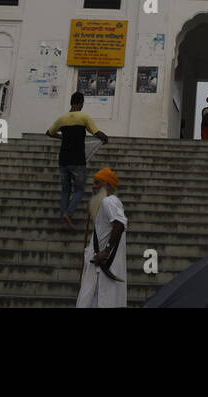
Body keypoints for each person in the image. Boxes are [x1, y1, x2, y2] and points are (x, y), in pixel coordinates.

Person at [46, 92, 109, 230]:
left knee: (65, 191)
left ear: (71, 102)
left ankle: (63, 219)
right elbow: (96, 132)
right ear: (81, 103)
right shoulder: (84, 117)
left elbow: (49, 133)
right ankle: (68, 214)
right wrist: (105, 138)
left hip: (63, 160)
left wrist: (61, 138)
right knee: (79, 190)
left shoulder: (62, 119)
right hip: (78, 160)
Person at [76, 168, 127, 308]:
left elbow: (120, 224)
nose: (93, 186)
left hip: (104, 265)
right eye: (93, 183)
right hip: (98, 266)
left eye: (97, 183)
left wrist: (106, 251)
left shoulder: (109, 201)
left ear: (108, 185)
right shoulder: (105, 203)